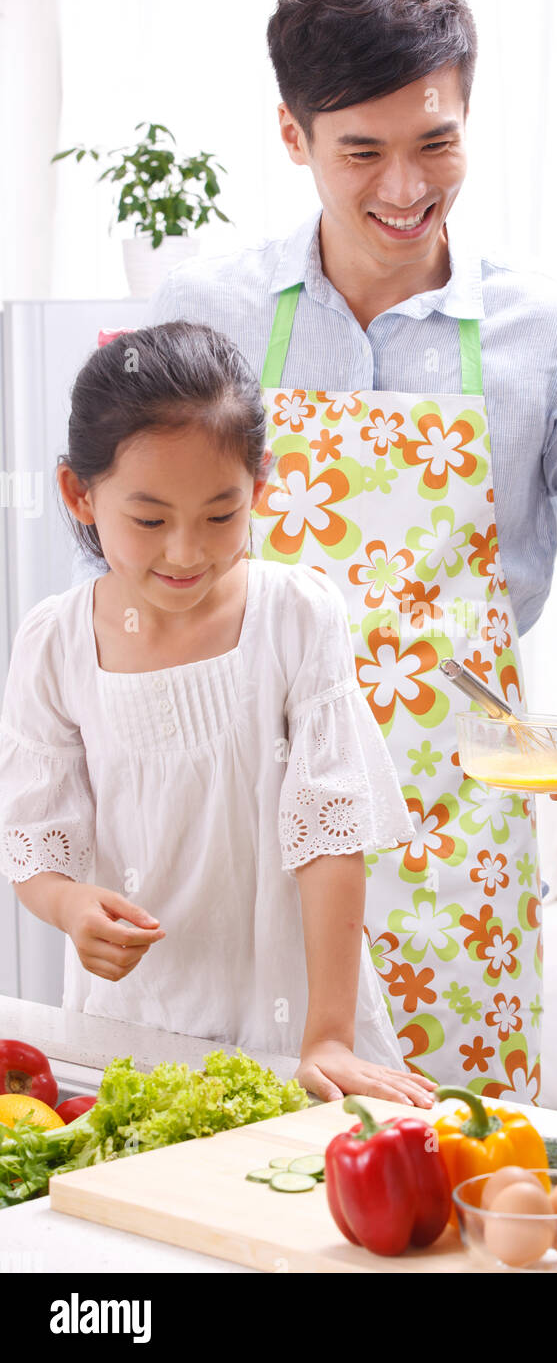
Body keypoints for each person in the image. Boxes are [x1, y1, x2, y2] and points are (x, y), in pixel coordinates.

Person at [74, 0, 557, 1101]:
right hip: (242, 828)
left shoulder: (548, 335)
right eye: (360, 152)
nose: (405, 189)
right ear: (290, 134)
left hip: (453, 829)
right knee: (228, 1159)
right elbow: (113, 552)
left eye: (434, 143)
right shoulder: (210, 313)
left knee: (461, 1167)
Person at [0, 322, 436, 1108]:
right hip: (132, 1029)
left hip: (298, 1027)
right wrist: (68, 906)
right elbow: (37, 843)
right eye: (150, 519)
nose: (186, 552)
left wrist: (329, 1032)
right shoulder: (53, 643)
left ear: (261, 488)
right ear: (79, 494)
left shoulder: (296, 615)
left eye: (220, 514)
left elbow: (331, 836)